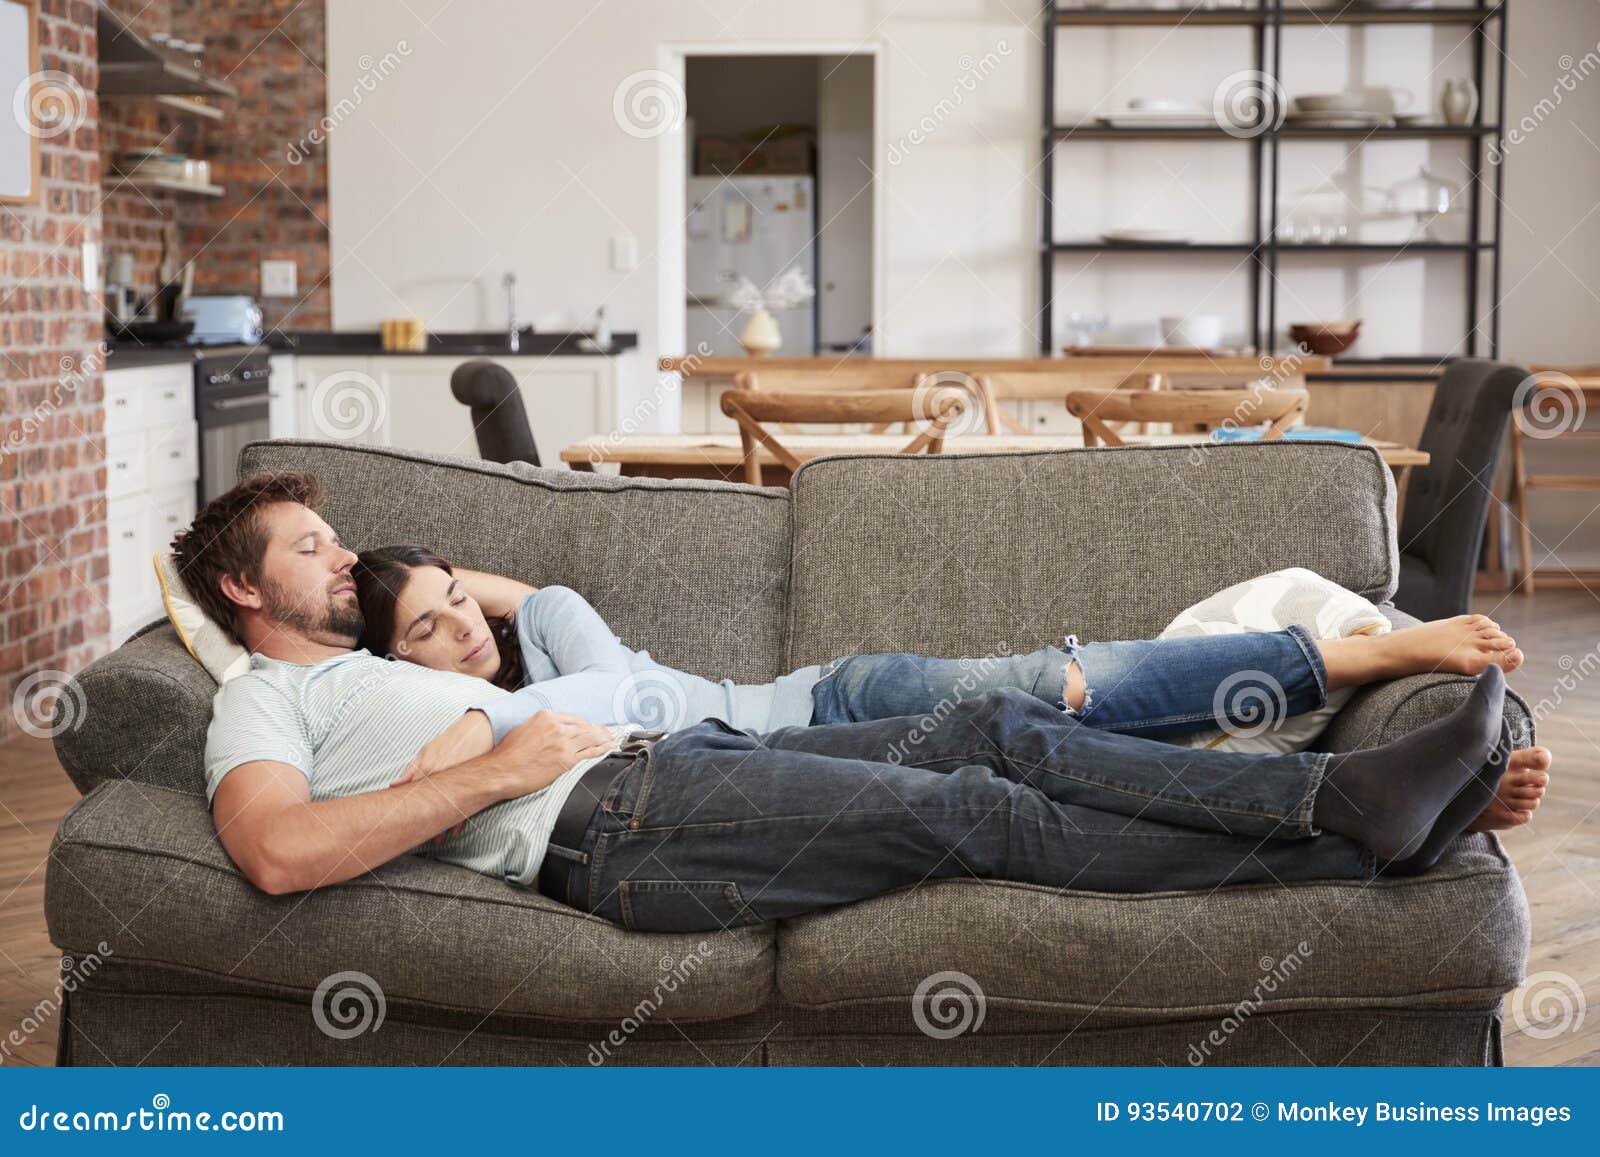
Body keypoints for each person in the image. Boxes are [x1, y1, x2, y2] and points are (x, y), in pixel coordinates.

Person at [174, 472, 1552, 933]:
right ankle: (1348, 821)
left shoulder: (389, 668)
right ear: (242, 591)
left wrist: (478, 692)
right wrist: (493, 765)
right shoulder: (264, 701)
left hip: (678, 759)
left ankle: (1358, 802)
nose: (342, 557)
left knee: (1001, 727)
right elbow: (278, 851)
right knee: (979, 811)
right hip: (615, 819)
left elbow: (523, 612)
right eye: (312, 547)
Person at [350, 543, 1539, 831]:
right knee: (1080, 779)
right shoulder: (426, 720)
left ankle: (1360, 655)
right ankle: (1400, 797)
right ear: (391, 660)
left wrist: (439, 591)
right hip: (807, 767)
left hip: (832, 701)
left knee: (1070, 691)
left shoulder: (556, 638)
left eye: (458, 599)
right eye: (426, 627)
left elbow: (607, 690)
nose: (460, 626)